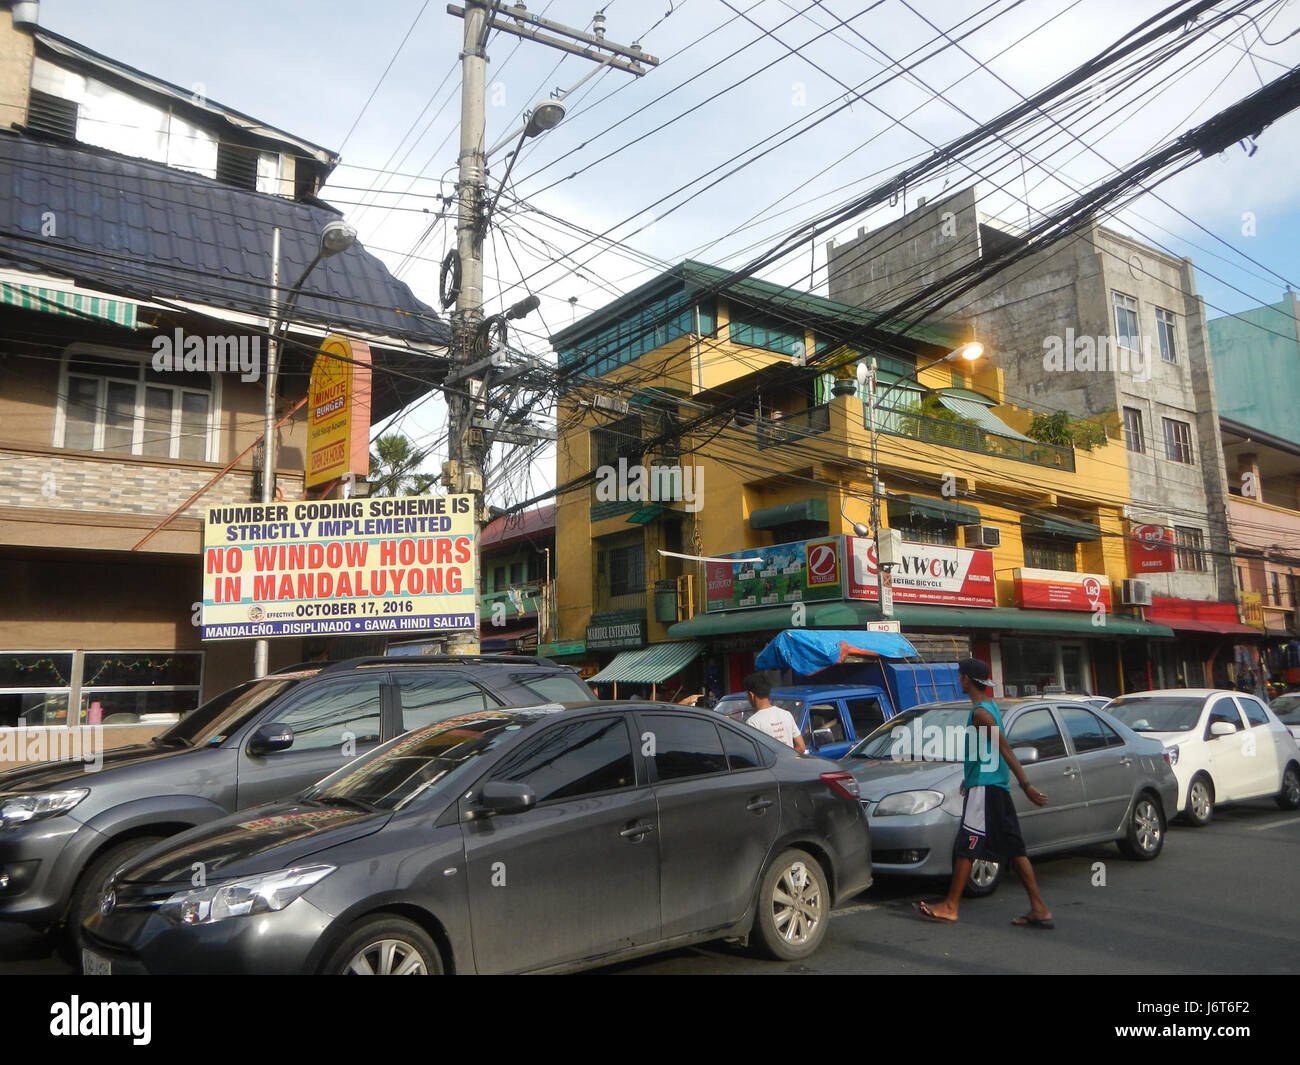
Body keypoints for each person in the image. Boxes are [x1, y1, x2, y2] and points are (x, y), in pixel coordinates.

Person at [917, 657, 1053, 929]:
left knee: (967, 845)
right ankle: (1039, 908)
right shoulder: (988, 707)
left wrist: (1026, 785)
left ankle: (950, 906)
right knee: (1014, 848)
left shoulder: (981, 713)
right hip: (991, 786)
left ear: (967, 679)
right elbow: (987, 752)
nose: (959, 681)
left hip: (987, 789)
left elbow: (1004, 749)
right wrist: (970, 779)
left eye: (960, 676)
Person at [741, 672, 805, 753]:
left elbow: (753, 754)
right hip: (790, 764)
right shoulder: (786, 715)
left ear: (751, 695)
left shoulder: (752, 723)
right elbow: (801, 747)